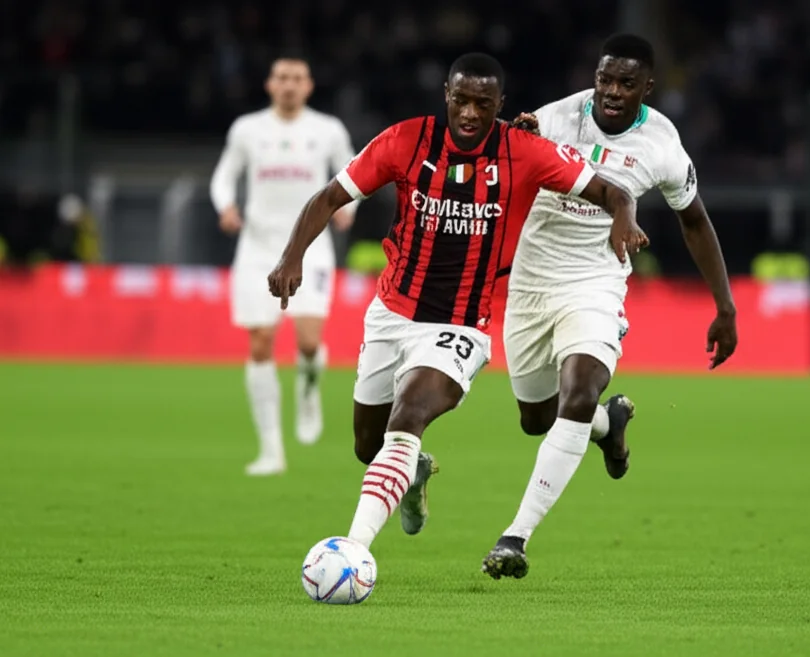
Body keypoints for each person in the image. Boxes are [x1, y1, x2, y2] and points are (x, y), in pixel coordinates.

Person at [267, 53, 648, 550]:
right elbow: (329, 198)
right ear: (446, 95)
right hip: (391, 313)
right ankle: (412, 472)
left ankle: (353, 550)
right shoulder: (404, 141)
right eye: (461, 100)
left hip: (461, 324)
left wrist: (624, 217)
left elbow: (613, 192)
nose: (470, 113)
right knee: (368, 445)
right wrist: (291, 256)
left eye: (482, 104)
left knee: (408, 415)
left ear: (500, 105)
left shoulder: (525, 152)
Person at [481, 34, 739, 580]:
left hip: (595, 283)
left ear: (648, 87)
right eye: (605, 80)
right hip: (530, 284)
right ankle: (608, 424)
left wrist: (726, 307)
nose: (613, 92)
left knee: (578, 391)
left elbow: (694, 221)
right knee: (536, 418)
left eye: (626, 83)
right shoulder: (556, 117)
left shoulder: (662, 144)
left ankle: (515, 537)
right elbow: (501, 162)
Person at [210, 57, 358, 476]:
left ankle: (308, 388)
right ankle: (271, 450)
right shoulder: (247, 129)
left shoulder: (327, 129)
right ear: (269, 84)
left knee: (309, 342)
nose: (289, 85)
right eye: (282, 78)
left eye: (296, 78)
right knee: (260, 341)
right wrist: (226, 206)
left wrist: (348, 208)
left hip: (311, 245)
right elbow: (224, 176)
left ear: (308, 86)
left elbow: (353, 172)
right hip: (258, 246)